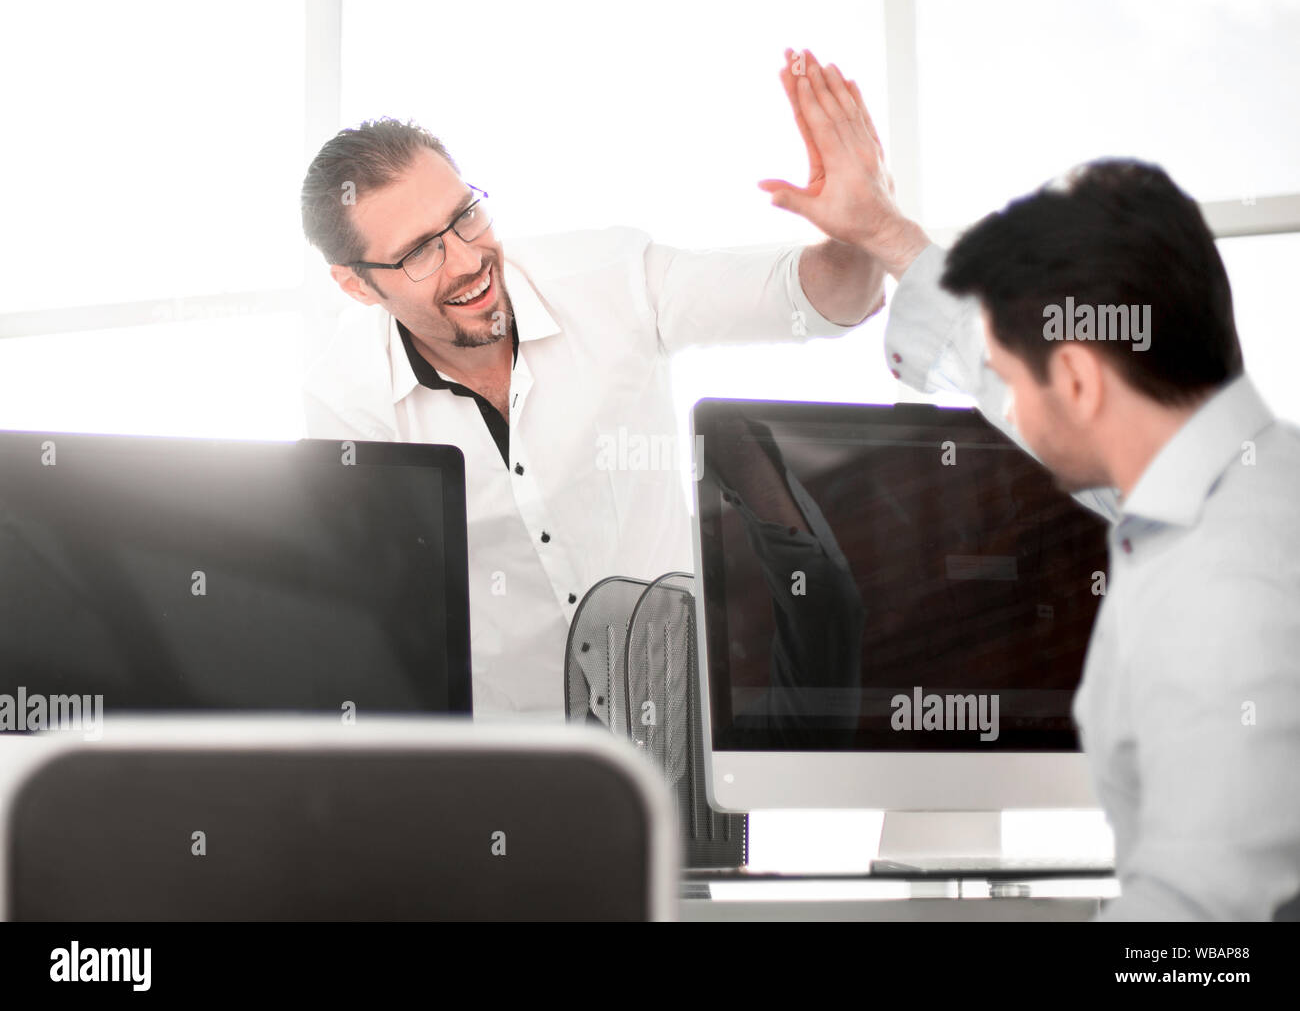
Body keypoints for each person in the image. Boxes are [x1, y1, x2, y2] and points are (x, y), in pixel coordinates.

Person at [767, 48, 1300, 921]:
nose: (1008, 406)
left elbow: (1203, 945)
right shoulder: (1234, 488)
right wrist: (888, 234)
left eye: (1020, 383)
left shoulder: (1220, 592)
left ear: (1083, 382)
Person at [298, 55, 888, 718]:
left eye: (464, 216)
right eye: (418, 253)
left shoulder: (613, 280)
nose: (466, 260)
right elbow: (377, 631)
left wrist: (863, 235)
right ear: (355, 284)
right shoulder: (348, 408)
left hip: (677, 733)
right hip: (519, 769)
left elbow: (818, 301)